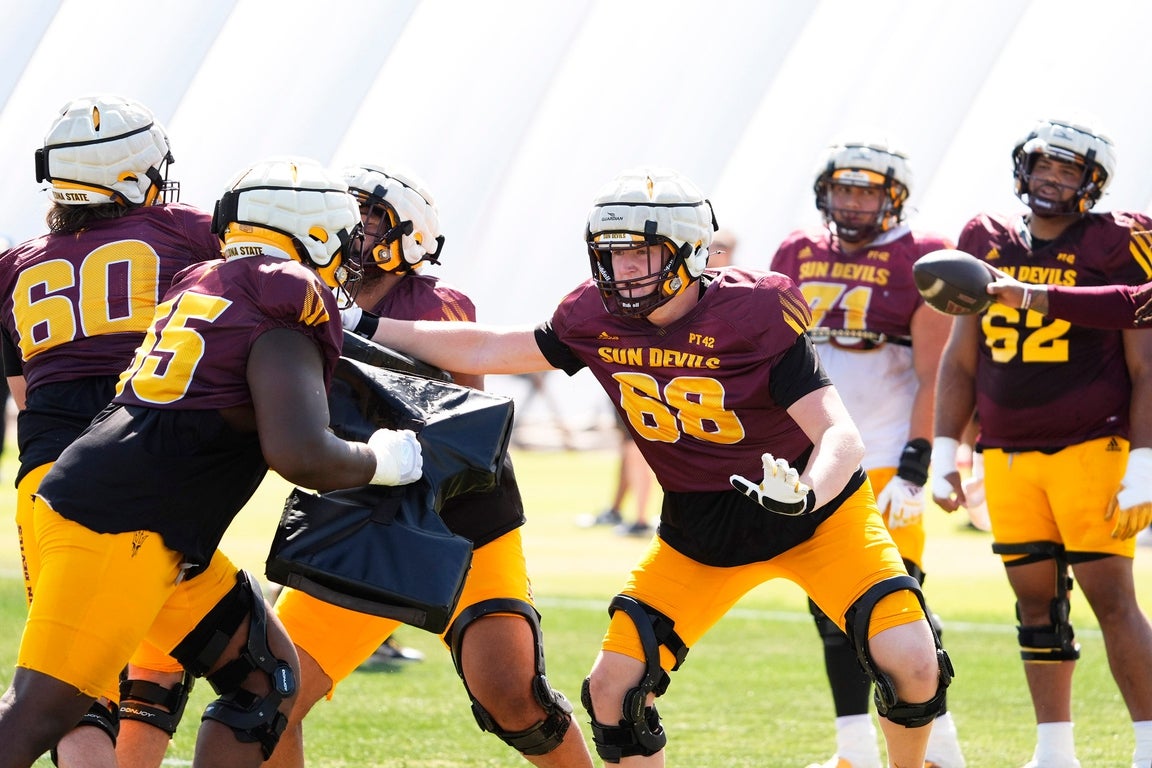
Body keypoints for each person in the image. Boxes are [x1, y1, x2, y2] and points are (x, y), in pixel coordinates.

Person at [358, 166, 954, 767]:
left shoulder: (752, 310)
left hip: (818, 519)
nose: (624, 272)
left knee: (911, 656)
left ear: (690, 252)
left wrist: (808, 493)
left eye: (641, 255)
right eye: (612, 256)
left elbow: (840, 434)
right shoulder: (595, 317)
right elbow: (489, 346)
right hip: (699, 532)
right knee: (612, 690)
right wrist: (364, 325)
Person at [0, 155, 424, 768]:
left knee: (267, 677)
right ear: (313, 228)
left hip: (155, 529)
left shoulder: (205, 279)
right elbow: (299, 452)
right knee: (42, 710)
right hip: (122, 527)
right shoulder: (287, 290)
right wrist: (379, 460)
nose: (352, 248)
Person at [268, 163, 595, 768]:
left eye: (368, 216)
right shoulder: (303, 296)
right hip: (359, 517)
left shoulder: (434, 302)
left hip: (457, 517)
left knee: (511, 696)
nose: (351, 228)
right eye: (347, 213)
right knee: (269, 699)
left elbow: (459, 409)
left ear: (409, 237)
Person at [0, 94, 222, 768]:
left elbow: (26, 395)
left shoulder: (12, 267)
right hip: (142, 481)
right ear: (134, 173)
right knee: (172, 675)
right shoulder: (185, 232)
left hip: (44, 486)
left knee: (79, 698)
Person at [932, 118, 1152, 768]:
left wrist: (1144, 457)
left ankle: (1147, 746)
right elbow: (960, 357)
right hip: (1007, 449)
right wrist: (947, 450)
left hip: (1093, 445)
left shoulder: (1118, 240)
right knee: (1034, 601)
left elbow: (1146, 358)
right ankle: (1054, 751)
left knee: (1111, 597)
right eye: (1043, 166)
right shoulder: (985, 236)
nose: (1052, 179)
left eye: (1068, 170)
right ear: (1021, 169)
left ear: (1093, 183)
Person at [771, 138, 965, 768]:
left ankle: (942, 747)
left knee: (900, 602)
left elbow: (935, 372)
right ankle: (853, 748)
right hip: (817, 453)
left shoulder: (922, 256)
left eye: (866, 190)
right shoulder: (797, 250)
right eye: (843, 189)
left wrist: (915, 465)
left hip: (882, 452)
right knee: (828, 606)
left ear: (894, 197)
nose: (852, 203)